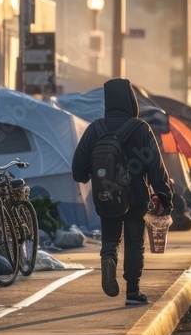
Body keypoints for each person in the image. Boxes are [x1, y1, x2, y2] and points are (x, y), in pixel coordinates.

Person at [72, 79, 173, 306]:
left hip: (106, 194)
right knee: (134, 242)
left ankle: (108, 257)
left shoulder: (95, 128)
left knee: (110, 237)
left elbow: (78, 171)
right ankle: (133, 292)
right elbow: (156, 167)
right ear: (130, 100)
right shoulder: (141, 129)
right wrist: (165, 194)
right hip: (136, 195)